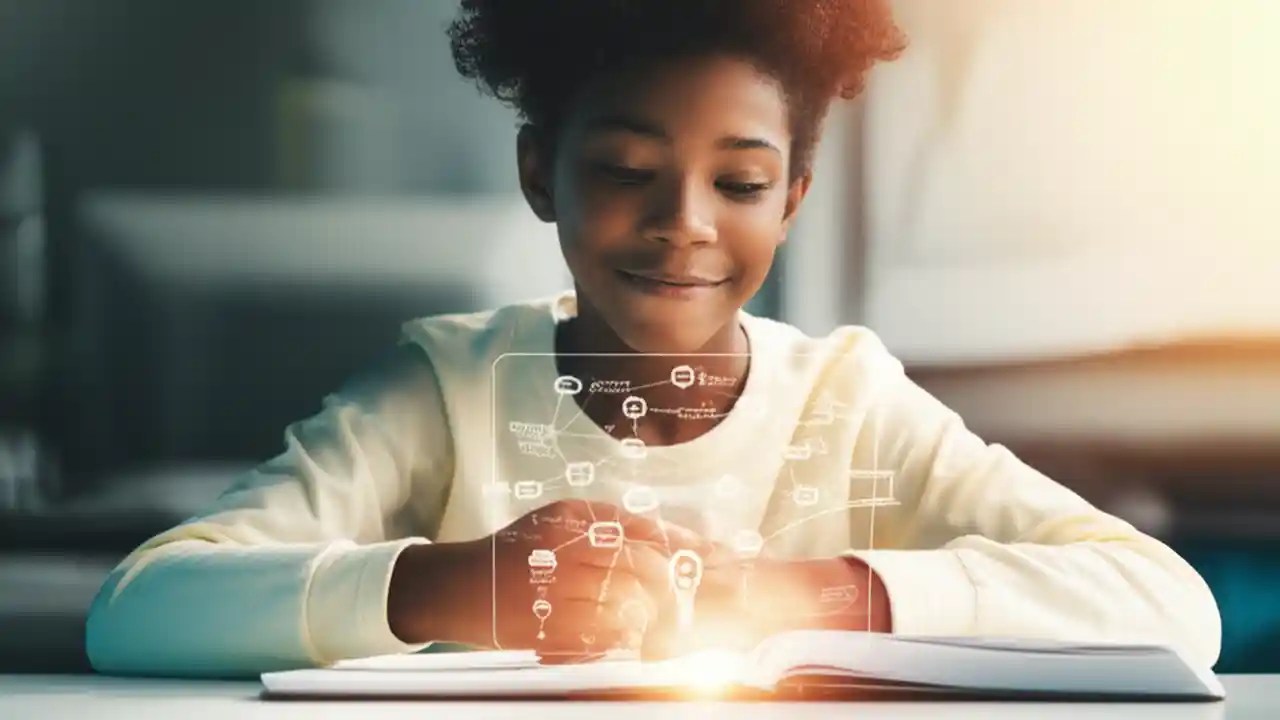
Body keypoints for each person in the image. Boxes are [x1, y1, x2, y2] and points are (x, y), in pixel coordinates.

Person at [85, 0, 1221, 677]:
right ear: (541, 173)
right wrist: (459, 588)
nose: (682, 223)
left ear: (791, 199)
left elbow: (1170, 606)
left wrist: (805, 594)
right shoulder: (444, 389)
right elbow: (139, 611)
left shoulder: (847, 401)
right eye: (626, 171)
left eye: (738, 182)